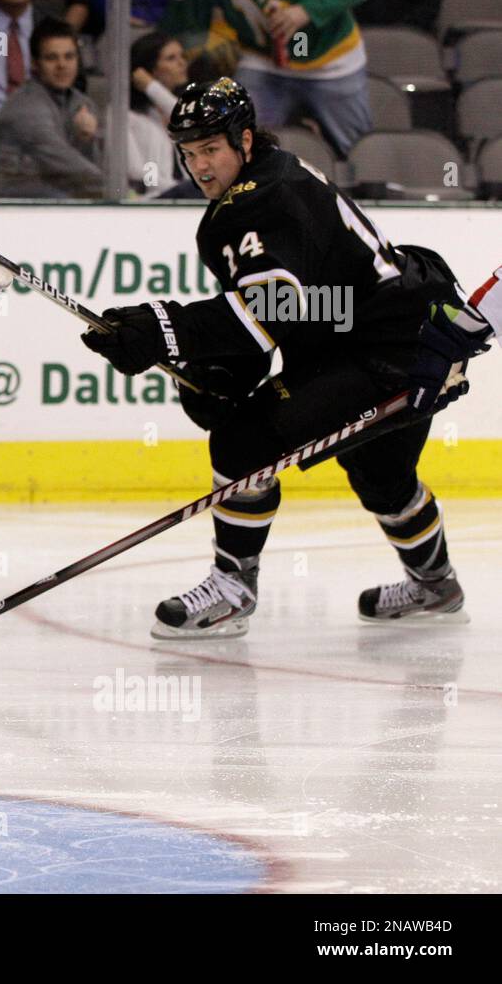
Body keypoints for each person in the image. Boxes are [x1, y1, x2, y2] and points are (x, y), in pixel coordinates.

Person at [81, 78, 494, 638]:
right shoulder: (269, 179)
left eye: (211, 150)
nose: (200, 166)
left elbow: (272, 307)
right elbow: (290, 312)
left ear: (244, 140)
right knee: (382, 473)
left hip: (385, 354)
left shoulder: (258, 200)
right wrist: (224, 370)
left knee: (242, 442)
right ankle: (436, 584)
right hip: (407, 337)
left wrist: (164, 328)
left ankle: (232, 588)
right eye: (189, 153)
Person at [160, 0, 375, 155]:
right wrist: (201, 47)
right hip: (261, 60)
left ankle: (361, 201)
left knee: (358, 147)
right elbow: (182, 21)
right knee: (241, 139)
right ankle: (249, 198)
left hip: (332, 61)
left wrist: (308, 9)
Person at [0, 18, 103, 198]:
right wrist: (113, 188)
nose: (62, 65)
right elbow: (59, 159)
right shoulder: (25, 105)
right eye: (51, 58)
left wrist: (87, 140)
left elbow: (94, 164)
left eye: (69, 56)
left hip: (56, 191)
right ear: (35, 63)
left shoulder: (83, 104)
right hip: (10, 198)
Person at [128, 31, 189, 196]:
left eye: (182, 56)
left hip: (187, 197)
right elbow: (138, 172)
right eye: (171, 58)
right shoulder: (127, 116)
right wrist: (176, 188)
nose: (182, 63)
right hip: (154, 199)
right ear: (149, 70)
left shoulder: (178, 108)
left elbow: (195, 121)